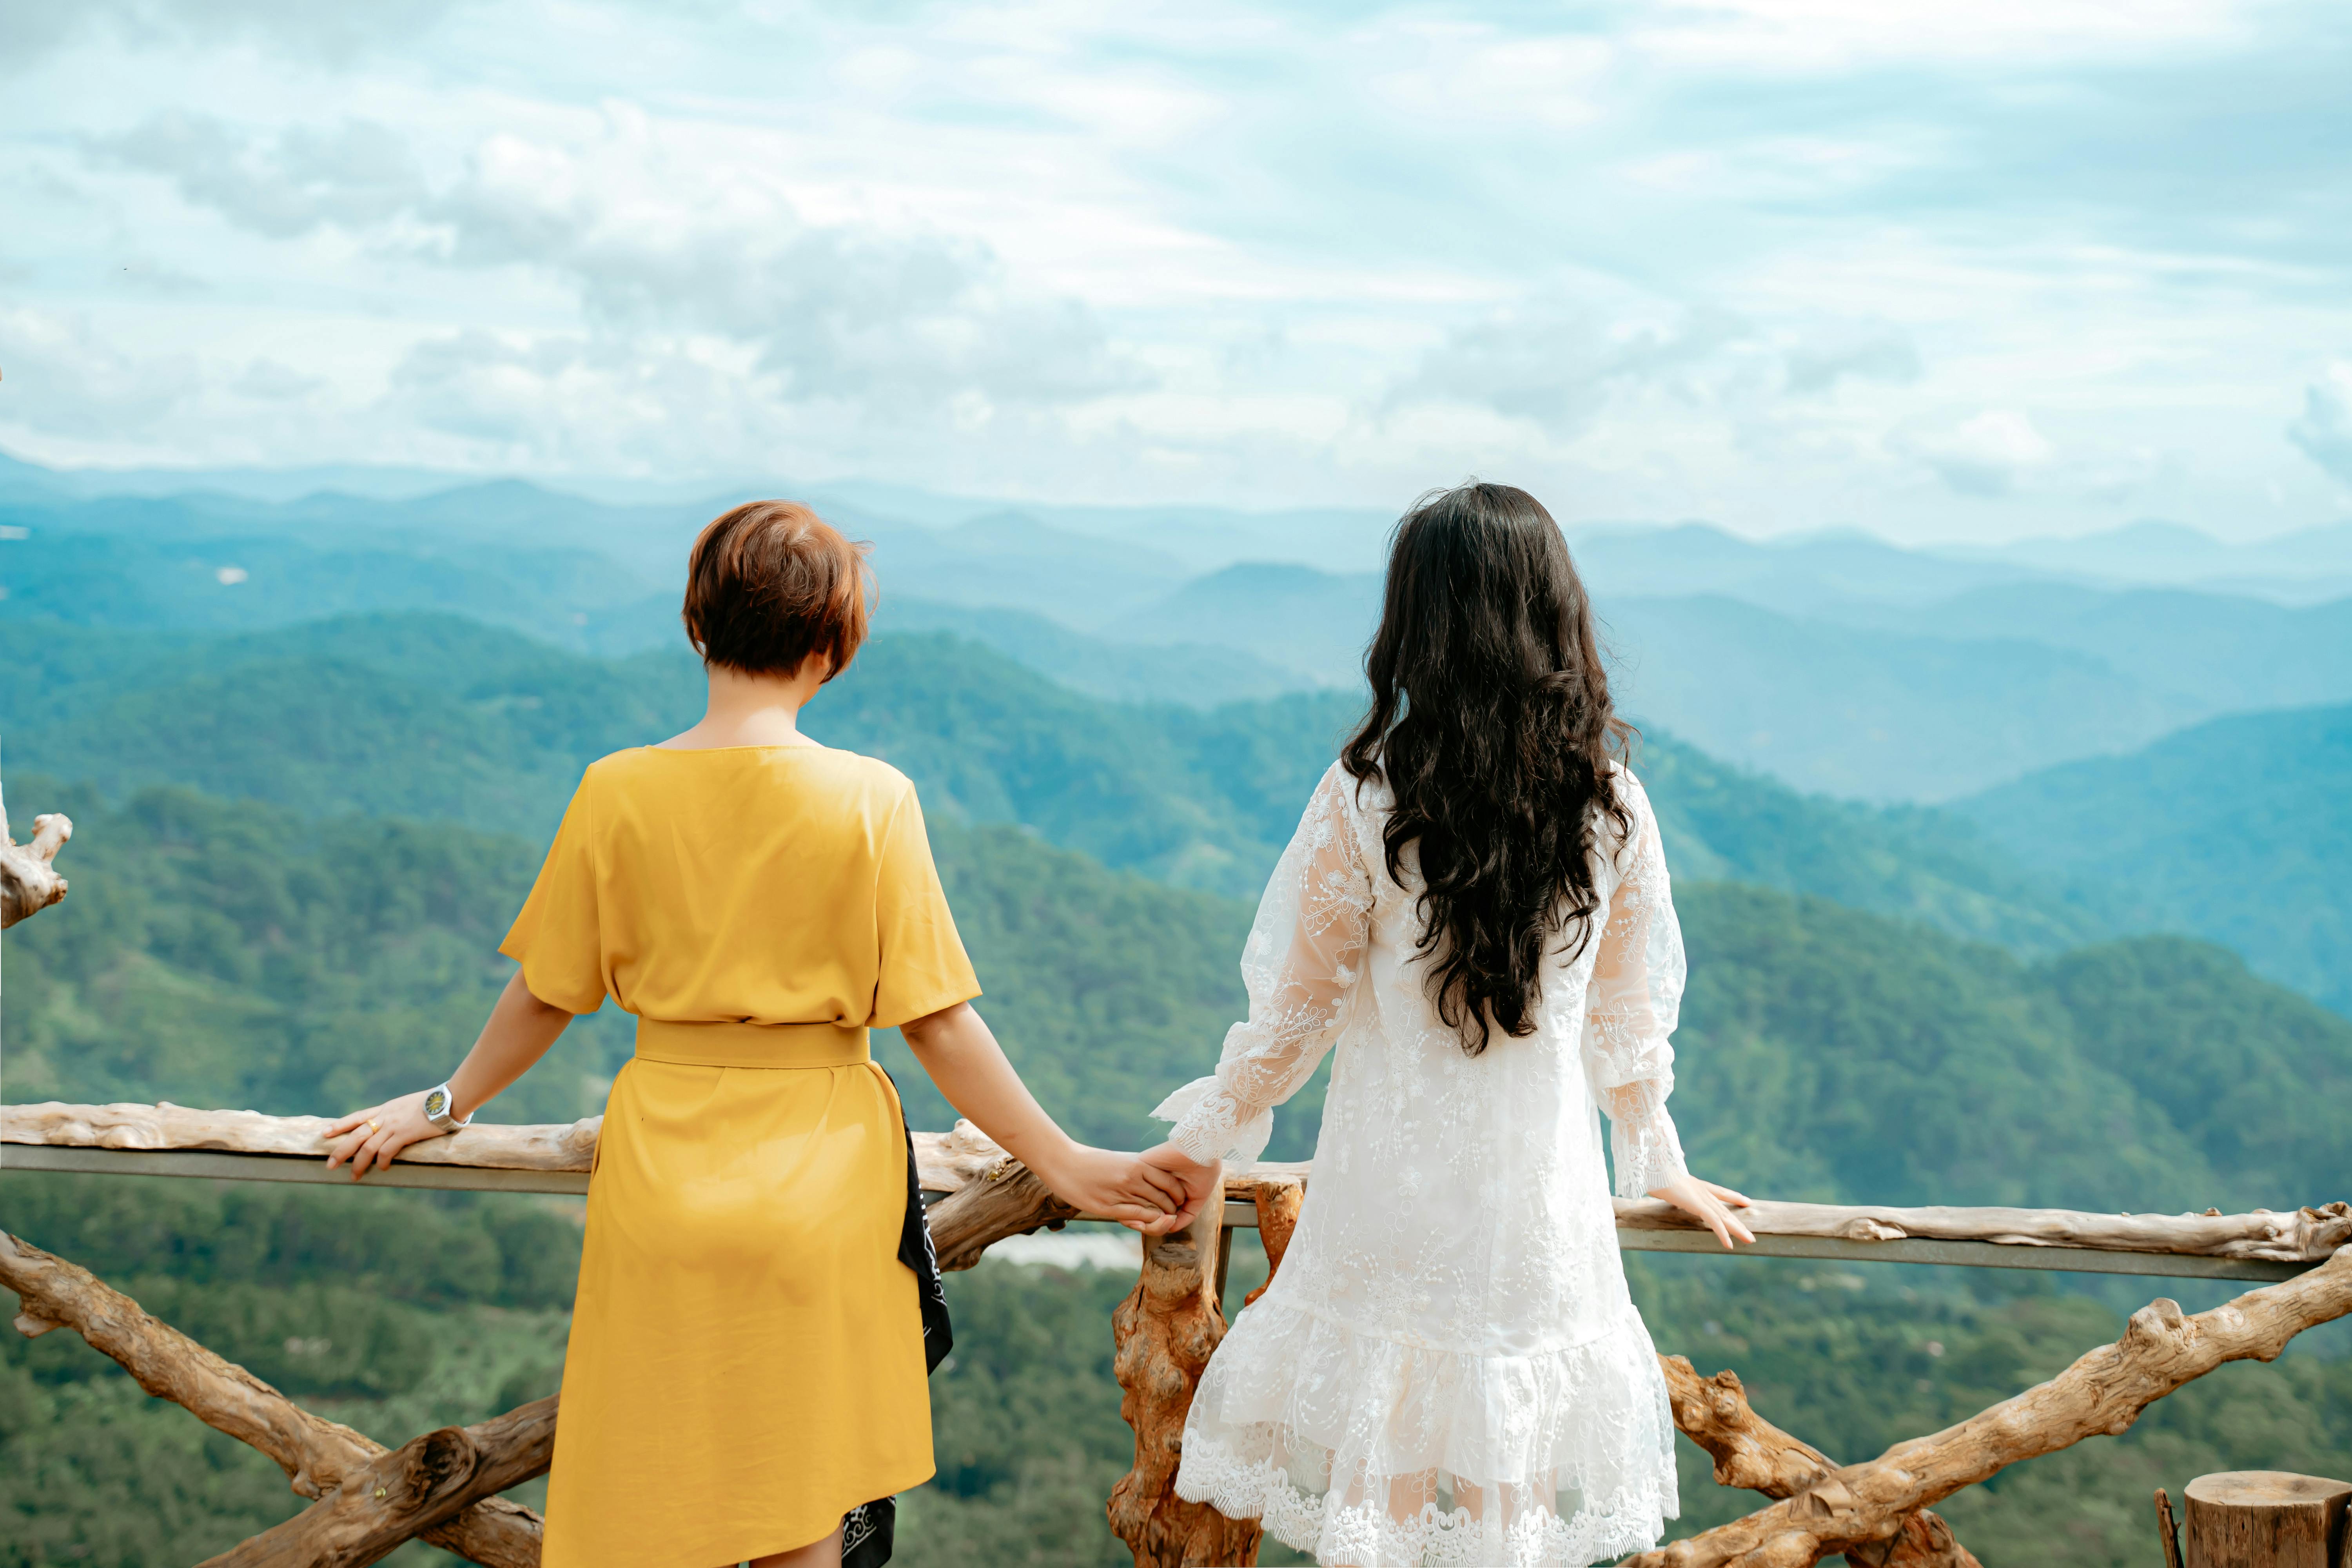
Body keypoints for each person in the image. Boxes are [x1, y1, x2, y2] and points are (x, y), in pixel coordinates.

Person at [324, 501, 1203, 1568]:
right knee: (802, 1507)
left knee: (646, 1493)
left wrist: (438, 1105)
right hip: (820, 1180)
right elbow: (937, 1020)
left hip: (662, 1176)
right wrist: (1069, 1163)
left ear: (698, 625)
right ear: (834, 644)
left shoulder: (618, 790)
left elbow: (544, 994)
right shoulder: (874, 799)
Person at [1141, 483, 1754, 1568]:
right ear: (1553, 616)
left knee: (1395, 1501)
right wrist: (1658, 1156)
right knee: (1500, 1508)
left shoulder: (1366, 798)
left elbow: (1296, 1013)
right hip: (1539, 1213)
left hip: (1390, 1206)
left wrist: (1205, 1140)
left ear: (1417, 624)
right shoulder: (1610, 805)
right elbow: (1628, 1015)